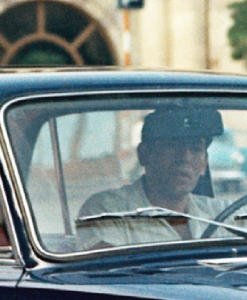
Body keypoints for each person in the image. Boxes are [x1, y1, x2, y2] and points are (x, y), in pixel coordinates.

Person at [77, 106, 231, 247]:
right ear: (144, 154)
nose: (185, 157)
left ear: (204, 164)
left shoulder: (221, 213)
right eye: (172, 145)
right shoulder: (108, 211)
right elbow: (110, 272)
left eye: (196, 148)